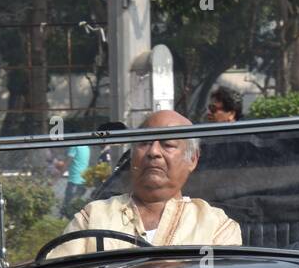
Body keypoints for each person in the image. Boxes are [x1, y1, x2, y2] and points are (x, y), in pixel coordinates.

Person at [50, 110, 241, 258]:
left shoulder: (216, 226)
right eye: (144, 143)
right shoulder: (93, 217)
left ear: (192, 159)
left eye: (167, 144)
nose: (153, 152)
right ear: (132, 155)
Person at [62, 143, 90, 215]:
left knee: (68, 202)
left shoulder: (75, 145)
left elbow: (68, 160)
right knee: (75, 203)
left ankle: (64, 216)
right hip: (83, 180)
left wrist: (61, 172)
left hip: (74, 179)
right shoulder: (86, 147)